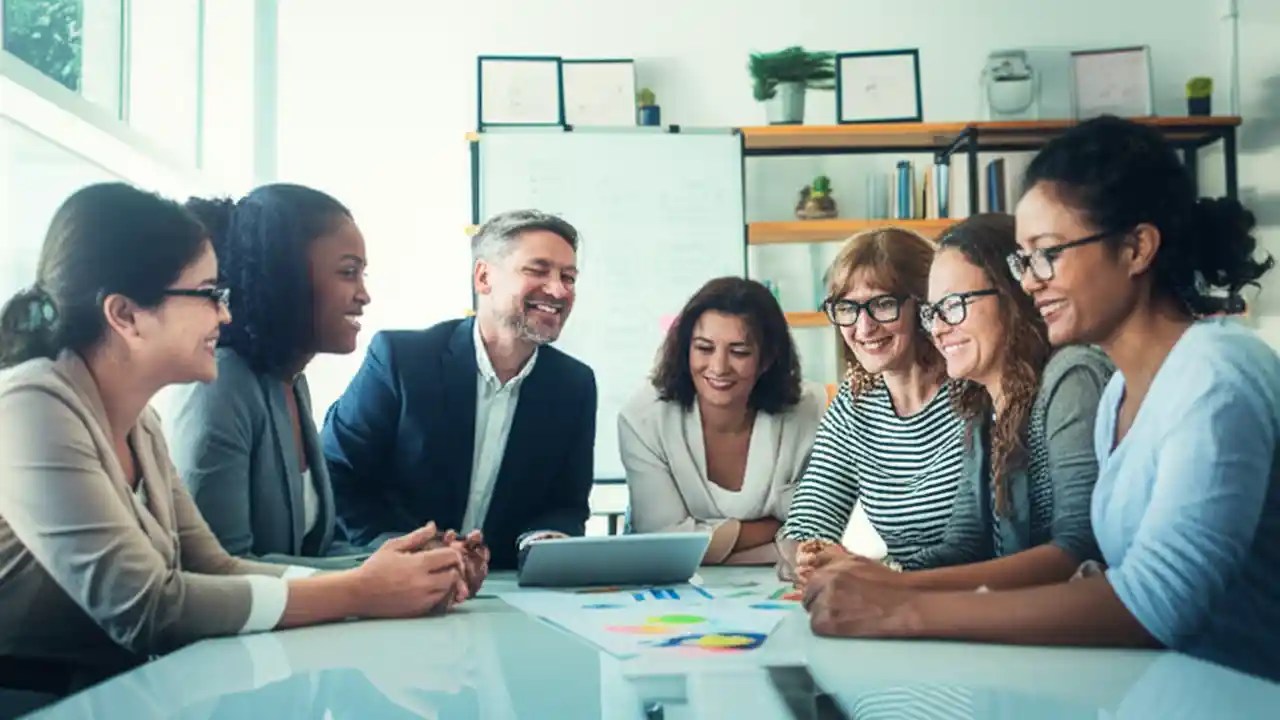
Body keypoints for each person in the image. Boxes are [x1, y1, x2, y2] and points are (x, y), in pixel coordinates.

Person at [802, 116, 1280, 682]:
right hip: (1168, 690)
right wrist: (891, 585)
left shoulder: (1216, 372)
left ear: (1136, 248)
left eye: (1047, 254)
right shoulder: (1119, 397)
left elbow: (1157, 600)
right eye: (1023, 262)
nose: (1029, 283)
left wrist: (903, 604)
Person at [0, 183, 469, 693]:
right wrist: (360, 592)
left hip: (116, 694)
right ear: (125, 314)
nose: (225, 314)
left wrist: (396, 580)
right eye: (207, 295)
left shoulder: (139, 422)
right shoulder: (30, 404)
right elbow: (146, 607)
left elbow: (214, 565)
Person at [807, 213, 1113, 593]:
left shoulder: (1070, 377)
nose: (936, 327)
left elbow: (1079, 551)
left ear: (1012, 295)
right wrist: (877, 571)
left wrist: (888, 581)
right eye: (932, 312)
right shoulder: (981, 402)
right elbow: (964, 546)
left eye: (953, 305)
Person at [321, 209, 596, 570]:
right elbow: (336, 473)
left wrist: (544, 540)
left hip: (501, 590)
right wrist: (408, 550)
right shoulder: (401, 360)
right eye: (538, 270)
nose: (558, 289)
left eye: (569, 277)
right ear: (484, 277)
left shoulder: (573, 386)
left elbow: (565, 505)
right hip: (384, 576)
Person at [166, 185, 378, 569]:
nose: (364, 295)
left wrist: (407, 555)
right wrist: (373, 574)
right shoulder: (219, 385)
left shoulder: (290, 380)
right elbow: (218, 568)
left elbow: (314, 552)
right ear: (286, 275)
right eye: (348, 273)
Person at [777, 227, 967, 581]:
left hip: (974, 596)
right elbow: (809, 515)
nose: (863, 327)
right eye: (847, 307)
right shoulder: (856, 400)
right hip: (902, 597)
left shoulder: (972, 388)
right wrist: (806, 553)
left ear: (925, 305)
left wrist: (875, 572)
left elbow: (983, 545)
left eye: (882, 304)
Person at [619, 277, 826, 565]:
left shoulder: (811, 410)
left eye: (739, 352)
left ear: (767, 359)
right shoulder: (643, 418)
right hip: (671, 589)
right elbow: (663, 543)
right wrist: (773, 530)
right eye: (704, 348)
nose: (718, 367)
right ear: (685, 349)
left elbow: (819, 531)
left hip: (785, 581)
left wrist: (708, 540)